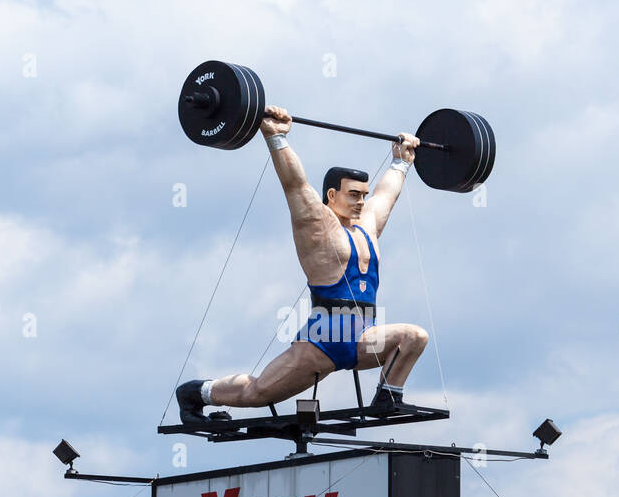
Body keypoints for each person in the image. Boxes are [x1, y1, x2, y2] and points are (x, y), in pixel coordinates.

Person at [176, 105, 429, 425]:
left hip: (364, 339)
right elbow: (295, 185)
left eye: (362, 195)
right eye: (353, 195)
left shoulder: (366, 227)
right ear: (332, 195)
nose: (361, 202)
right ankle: (195, 393)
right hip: (322, 342)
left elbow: (385, 195)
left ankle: (387, 397)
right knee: (256, 394)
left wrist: (400, 161)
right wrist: (276, 138)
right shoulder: (317, 226)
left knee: (414, 337)